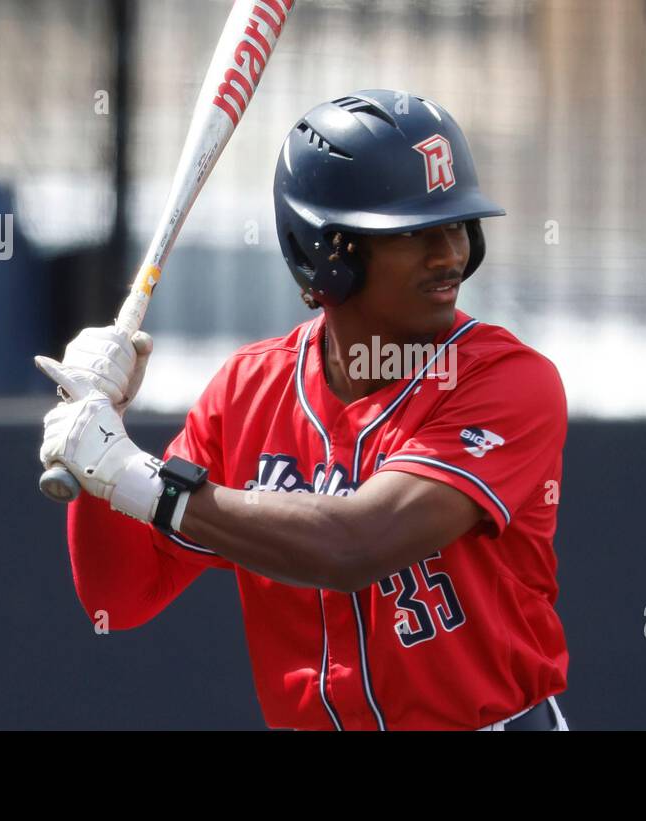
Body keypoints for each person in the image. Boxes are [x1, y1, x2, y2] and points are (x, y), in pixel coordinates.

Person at [36, 89, 570, 731]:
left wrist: (139, 482)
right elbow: (118, 596)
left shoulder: (507, 380)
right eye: (413, 232)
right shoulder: (248, 390)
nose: (449, 255)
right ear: (329, 252)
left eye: (457, 225)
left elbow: (357, 545)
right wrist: (99, 435)